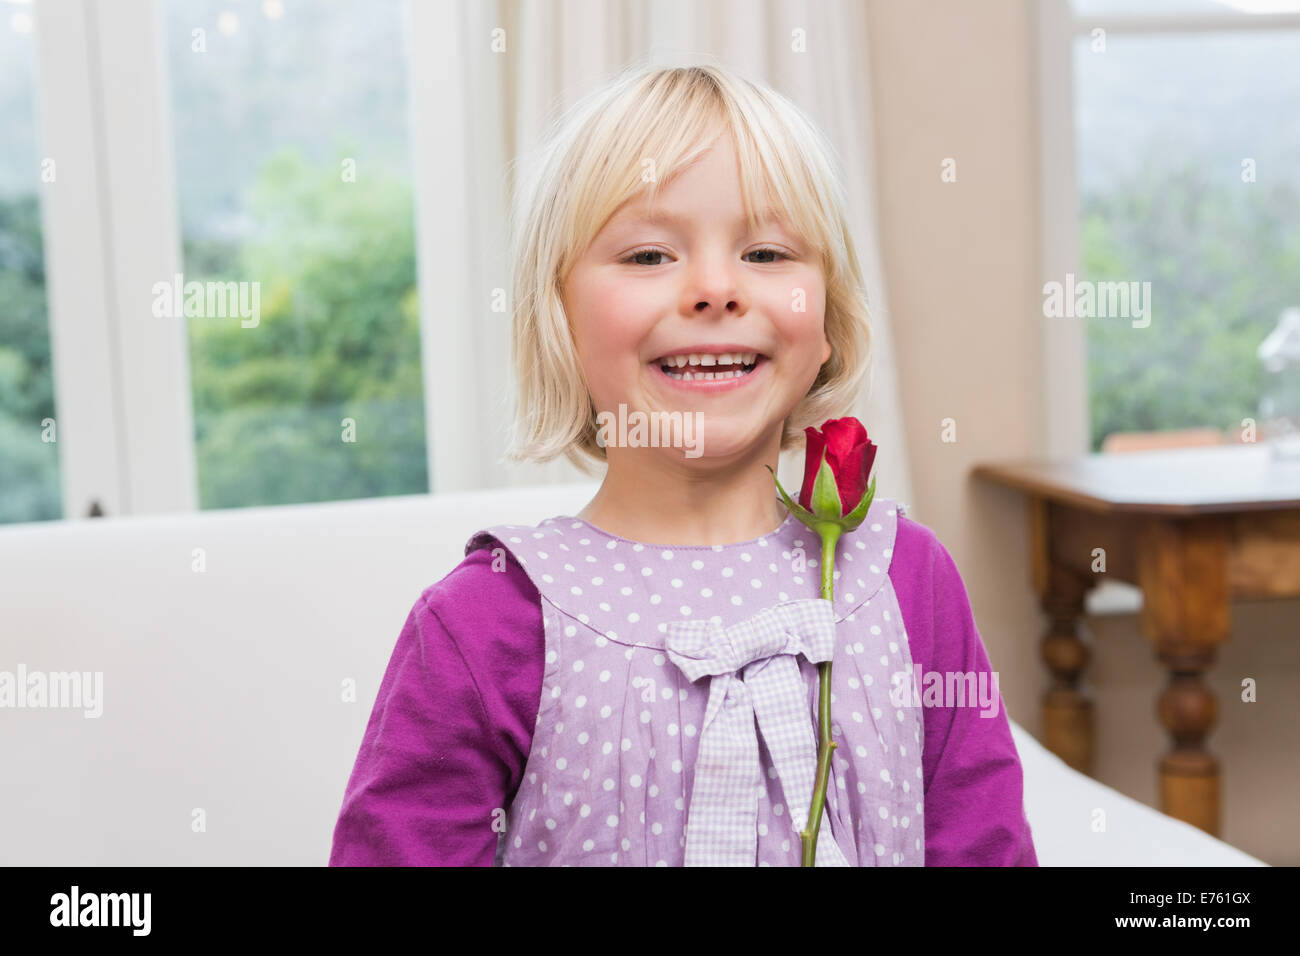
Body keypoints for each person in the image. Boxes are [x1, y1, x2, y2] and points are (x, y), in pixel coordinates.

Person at [329, 62, 1037, 867]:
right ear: (558, 319)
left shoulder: (909, 578)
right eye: (647, 256)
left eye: (767, 253)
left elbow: (987, 846)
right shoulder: (486, 620)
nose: (713, 289)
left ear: (828, 317)